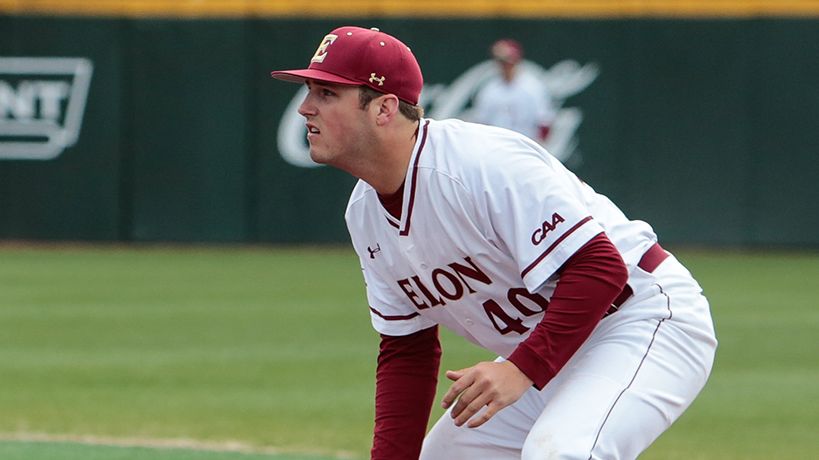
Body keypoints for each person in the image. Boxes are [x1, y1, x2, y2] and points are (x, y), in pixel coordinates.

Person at [271, 26, 717, 460]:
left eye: (327, 94)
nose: (305, 107)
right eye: (311, 91)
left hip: (641, 319)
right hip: (549, 352)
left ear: (385, 108)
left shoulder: (478, 164)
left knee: (562, 453)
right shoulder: (364, 214)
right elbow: (407, 350)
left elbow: (601, 269)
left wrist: (522, 368)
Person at [472, 39, 555, 144]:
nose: (504, 65)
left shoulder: (533, 87)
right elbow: (481, 123)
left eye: (506, 61)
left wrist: (539, 146)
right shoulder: (489, 90)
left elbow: (544, 121)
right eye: (500, 61)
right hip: (496, 147)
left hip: (525, 145)